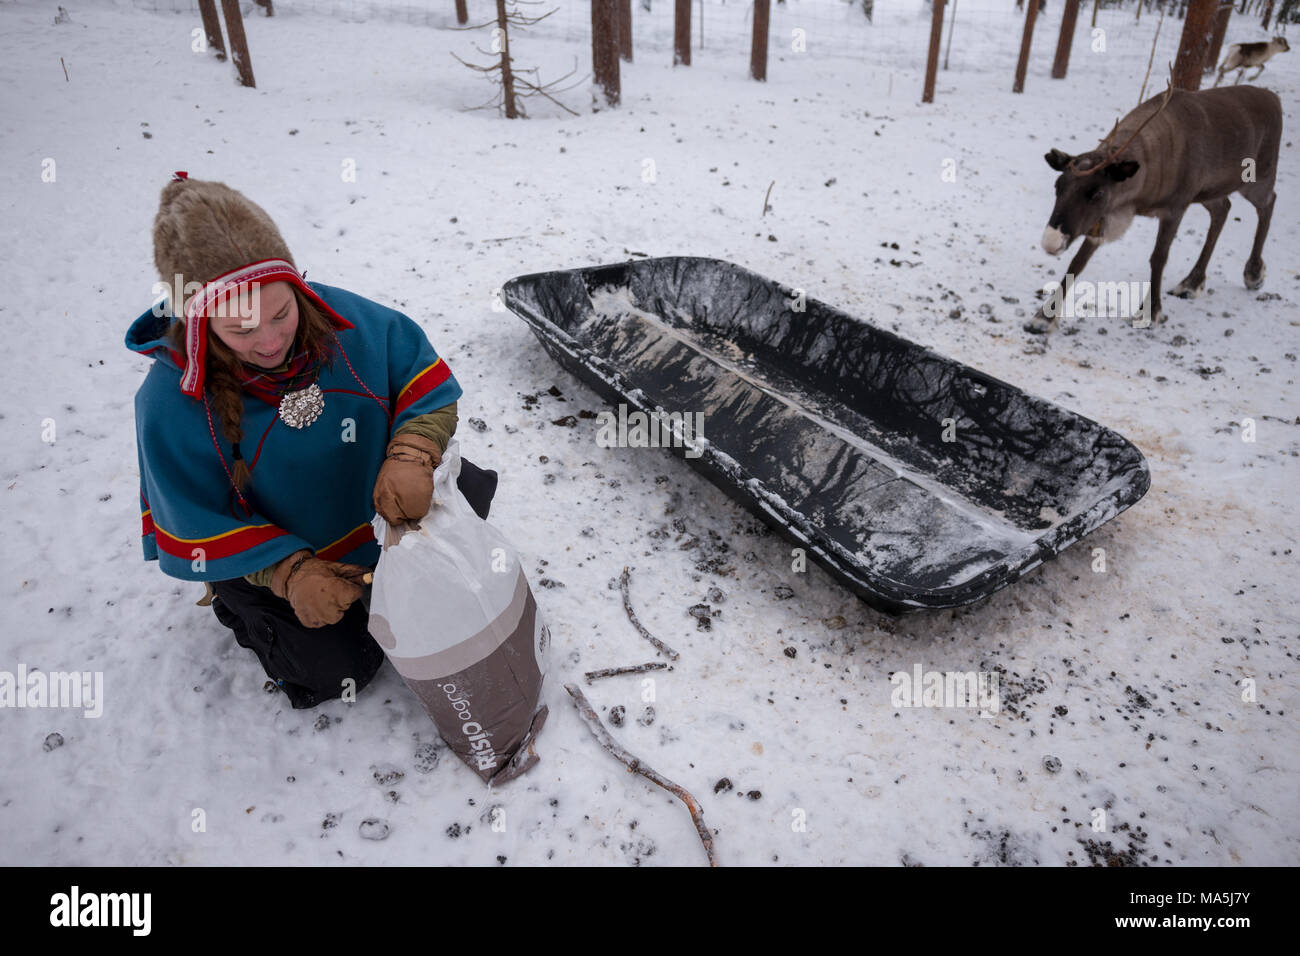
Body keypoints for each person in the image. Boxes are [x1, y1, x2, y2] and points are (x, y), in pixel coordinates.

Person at [125, 171, 497, 709]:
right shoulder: (168, 404)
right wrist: (287, 573)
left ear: (296, 284)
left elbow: (426, 385)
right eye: (243, 331)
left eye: (282, 313)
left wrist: (413, 450)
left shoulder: (346, 321)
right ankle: (245, 604)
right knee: (340, 670)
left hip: (376, 516)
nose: (272, 340)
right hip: (282, 554)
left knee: (473, 508)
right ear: (200, 320)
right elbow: (195, 520)